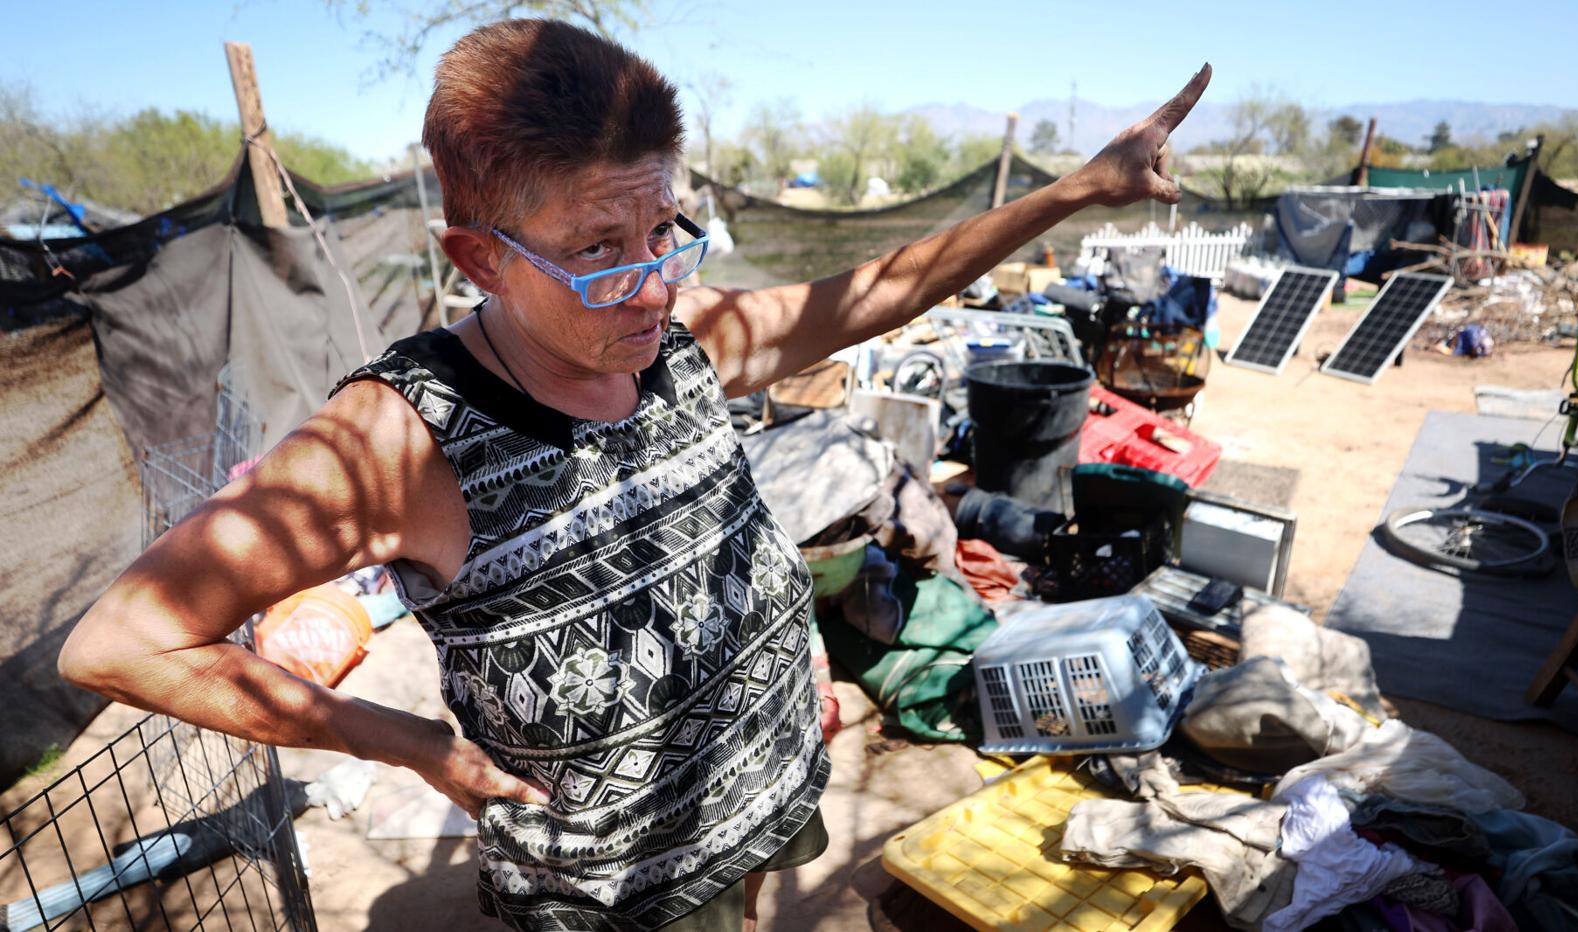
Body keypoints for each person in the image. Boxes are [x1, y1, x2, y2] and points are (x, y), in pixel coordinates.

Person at [58, 18, 1209, 932]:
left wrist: (1070, 191)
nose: (652, 284)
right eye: (599, 250)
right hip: (625, 892)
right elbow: (120, 642)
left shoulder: (684, 336)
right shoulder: (394, 441)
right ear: (477, 258)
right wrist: (400, 742)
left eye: (663, 225)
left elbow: (878, 288)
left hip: (765, 784)